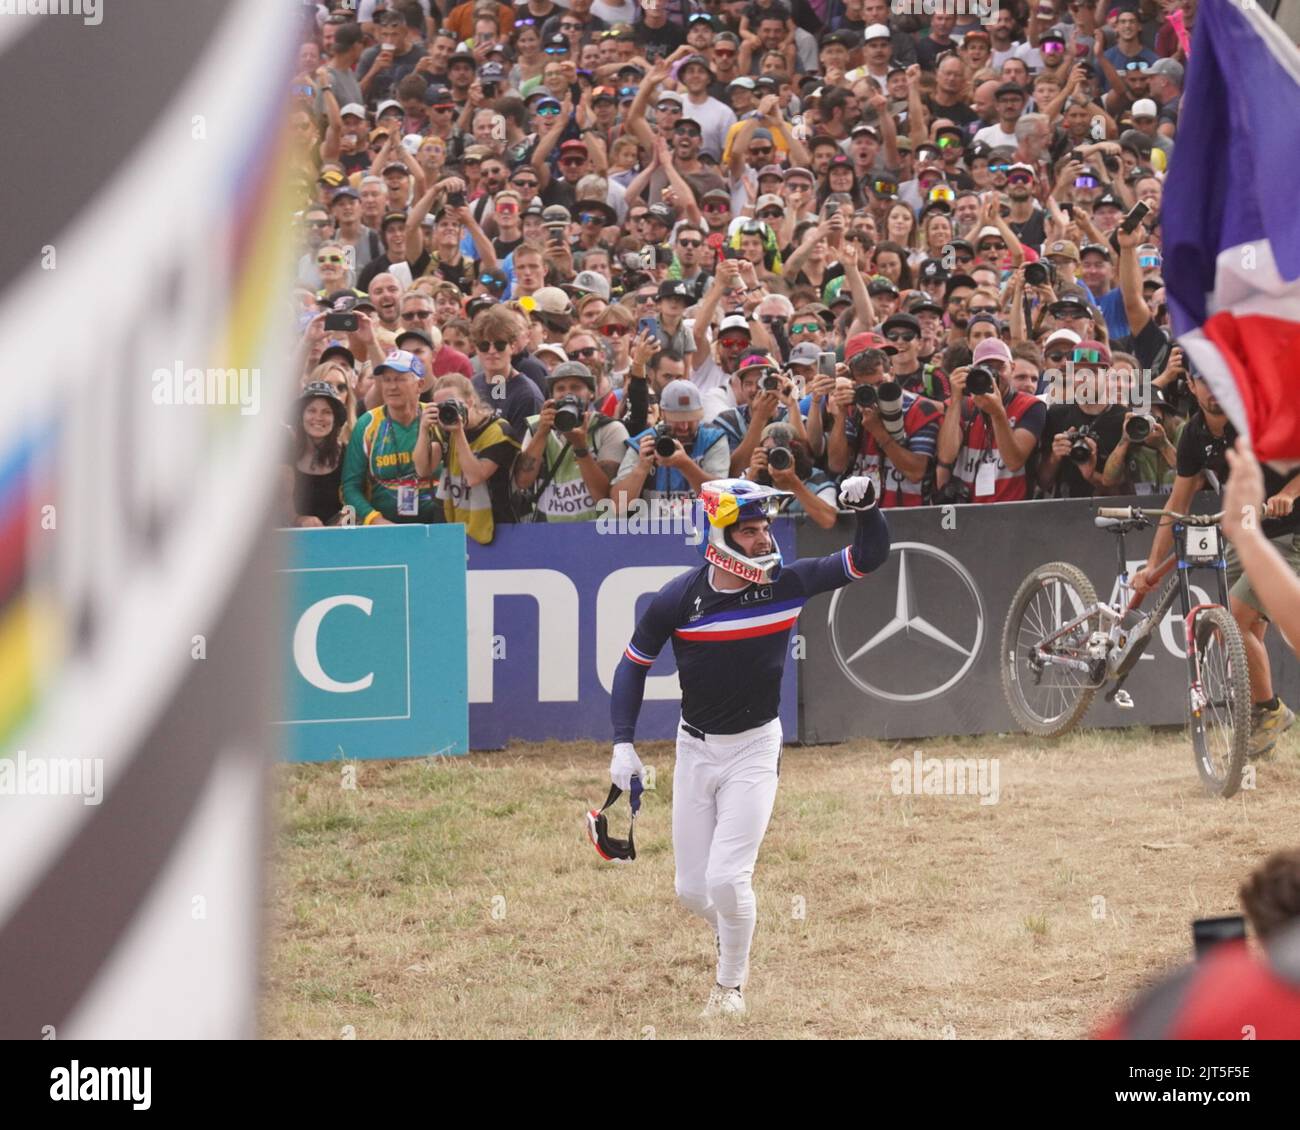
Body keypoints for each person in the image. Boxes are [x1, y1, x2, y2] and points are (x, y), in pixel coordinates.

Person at [604, 474, 890, 1016]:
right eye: (751, 530)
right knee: (692, 891)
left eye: (766, 528)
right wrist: (623, 744)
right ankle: (737, 926)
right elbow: (632, 666)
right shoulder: (678, 599)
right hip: (694, 749)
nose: (765, 539)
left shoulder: (789, 582)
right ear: (720, 536)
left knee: (727, 879)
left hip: (756, 748)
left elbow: (869, 555)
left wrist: (869, 506)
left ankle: (729, 987)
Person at [1133, 377, 1300, 757]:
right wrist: (1152, 565)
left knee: (1233, 621)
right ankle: (1266, 720)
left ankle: (1269, 712)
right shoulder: (1193, 435)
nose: (1214, 390)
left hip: (1290, 532)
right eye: (1205, 382)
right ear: (1191, 385)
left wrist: (1287, 494)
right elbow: (1177, 504)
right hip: (1245, 533)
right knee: (1244, 632)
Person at [512, 360, 629, 522]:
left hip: (595, 531)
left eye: (576, 387)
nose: (568, 394)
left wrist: (580, 448)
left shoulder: (609, 429)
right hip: (549, 532)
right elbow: (522, 482)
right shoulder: (536, 428)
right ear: (551, 396)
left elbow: (604, 499)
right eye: (560, 388)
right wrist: (541, 433)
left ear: (591, 393)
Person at [419, 373, 521, 544]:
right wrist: (423, 429)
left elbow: (475, 476)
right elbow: (423, 469)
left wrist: (458, 432)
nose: (448, 410)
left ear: (470, 401)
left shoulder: (499, 431)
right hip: (454, 524)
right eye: (441, 406)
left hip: (497, 526)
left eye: (452, 403)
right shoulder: (443, 427)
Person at [341, 350, 439, 525]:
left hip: (438, 526)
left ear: (420, 384)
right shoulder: (367, 425)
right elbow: (350, 487)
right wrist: (376, 520)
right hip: (383, 529)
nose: (392, 387)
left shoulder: (437, 418)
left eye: (400, 379)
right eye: (387, 380)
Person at [286, 382, 349, 527]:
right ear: (300, 416)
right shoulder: (285, 456)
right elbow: (276, 505)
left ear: (335, 420)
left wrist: (347, 519)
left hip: (340, 540)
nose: (318, 417)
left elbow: (358, 499)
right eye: (311, 410)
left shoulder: (348, 454)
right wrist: (298, 519)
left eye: (327, 412)